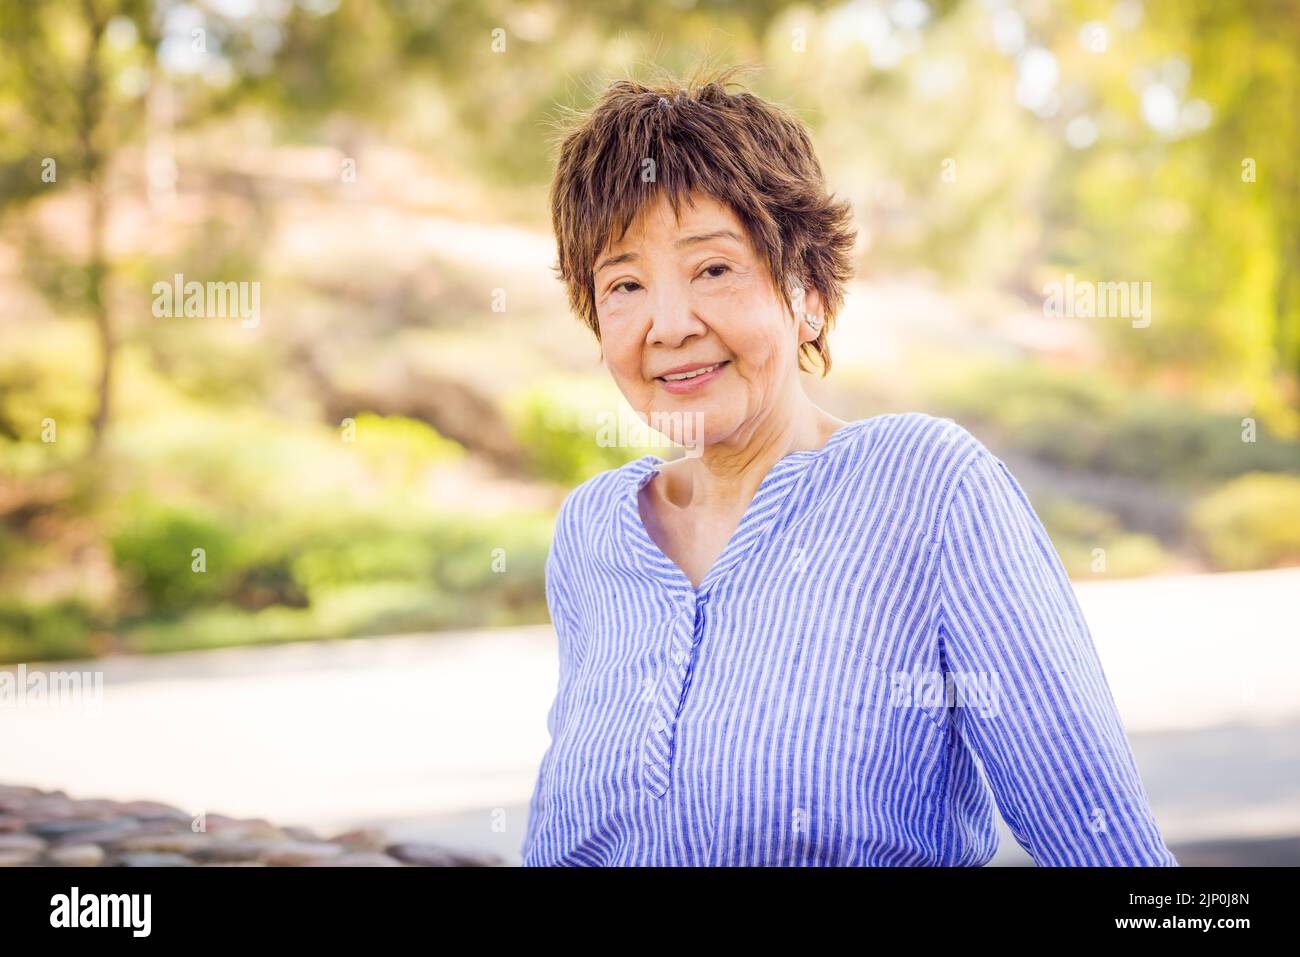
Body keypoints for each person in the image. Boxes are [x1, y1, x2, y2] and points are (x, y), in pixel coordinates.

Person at [520, 65, 1178, 867]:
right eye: (624, 283)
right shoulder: (593, 536)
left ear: (810, 294)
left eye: (713, 269)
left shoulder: (926, 488)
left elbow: (1107, 851)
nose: (668, 323)